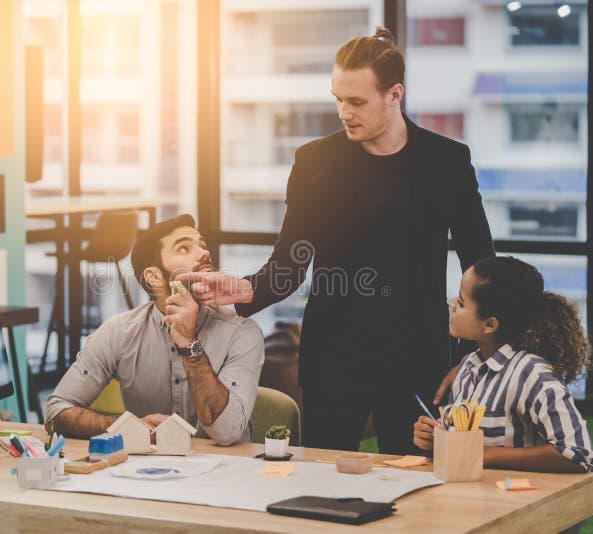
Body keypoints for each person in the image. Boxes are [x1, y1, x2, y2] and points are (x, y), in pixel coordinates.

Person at [179, 27, 494, 453]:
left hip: (418, 356)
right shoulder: (314, 163)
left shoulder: (447, 162)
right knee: (325, 487)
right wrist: (242, 289)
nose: (344, 112)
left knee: (418, 493)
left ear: (394, 94)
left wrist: (475, 357)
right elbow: (288, 265)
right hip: (333, 357)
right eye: (338, 99)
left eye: (357, 102)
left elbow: (481, 266)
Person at [45, 214, 265, 446]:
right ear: (154, 277)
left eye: (202, 245)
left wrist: (190, 344)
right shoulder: (118, 332)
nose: (204, 253)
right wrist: (133, 429)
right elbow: (55, 413)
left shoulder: (242, 333)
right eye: (184, 248)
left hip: (229, 474)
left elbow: (228, 432)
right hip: (145, 474)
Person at [413, 257, 593, 472]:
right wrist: (436, 438)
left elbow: (577, 453)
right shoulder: (467, 368)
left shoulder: (532, 374)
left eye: (461, 302)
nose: (451, 304)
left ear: (490, 324)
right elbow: (463, 443)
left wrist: (483, 454)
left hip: (514, 499)